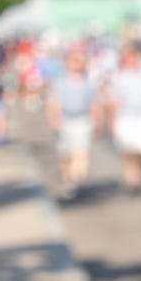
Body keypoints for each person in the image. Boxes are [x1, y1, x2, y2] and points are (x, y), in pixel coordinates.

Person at [105, 42, 141, 192]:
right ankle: (132, 177)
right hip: (127, 117)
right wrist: (112, 119)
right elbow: (115, 101)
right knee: (129, 150)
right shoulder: (120, 78)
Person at [46, 43, 96, 200]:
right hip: (65, 120)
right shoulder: (61, 82)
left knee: (80, 152)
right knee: (66, 154)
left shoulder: (88, 84)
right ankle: (69, 178)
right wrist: (55, 120)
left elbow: (94, 104)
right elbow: (54, 103)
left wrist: (97, 121)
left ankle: (76, 179)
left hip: (82, 120)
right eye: (75, 61)